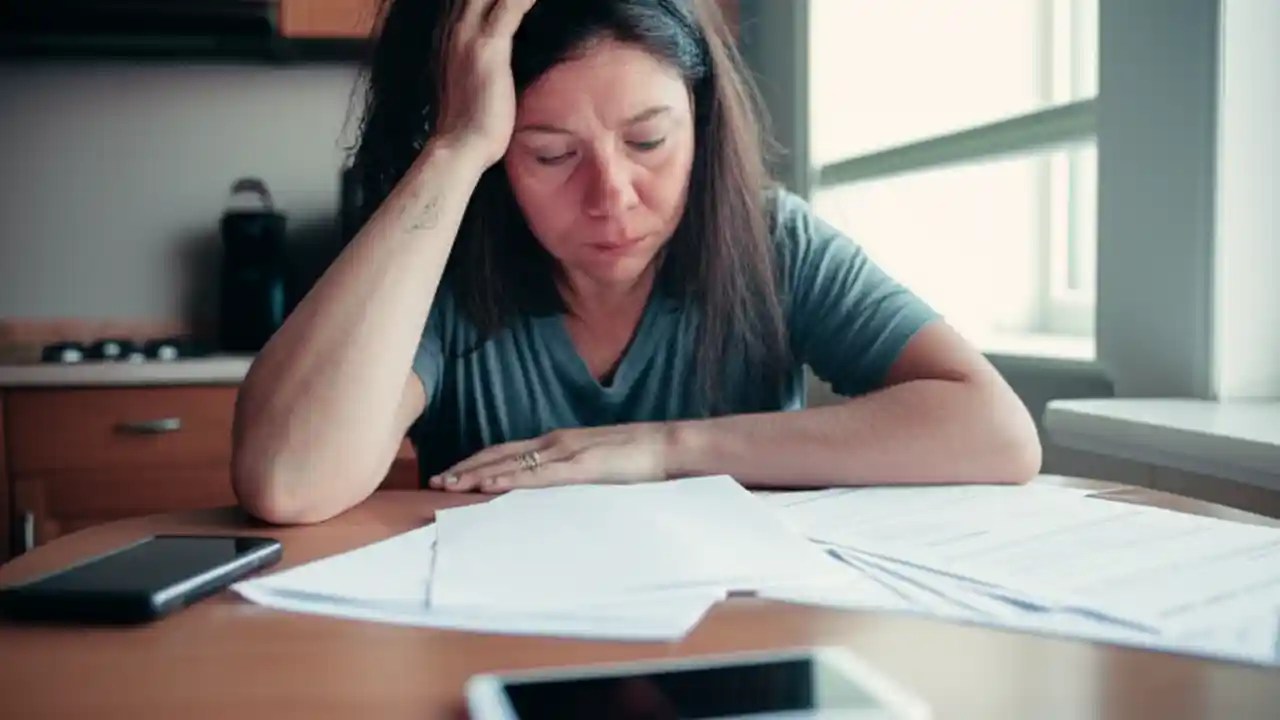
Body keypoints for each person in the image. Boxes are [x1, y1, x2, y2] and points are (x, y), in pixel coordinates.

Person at [231, 0, 1041, 525]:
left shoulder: (771, 244)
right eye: (550, 154)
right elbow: (288, 479)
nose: (612, 197)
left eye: (649, 141)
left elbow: (997, 433)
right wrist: (453, 147)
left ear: (701, 120)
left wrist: (664, 449)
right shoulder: (440, 277)